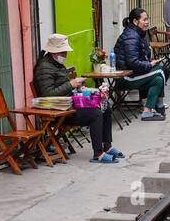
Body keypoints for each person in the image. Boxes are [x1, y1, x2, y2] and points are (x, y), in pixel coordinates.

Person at [33, 34, 123, 164]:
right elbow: (48, 93)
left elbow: (62, 87)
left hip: (67, 104)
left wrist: (79, 88)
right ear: (54, 52)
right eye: (63, 52)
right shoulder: (44, 67)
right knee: (96, 114)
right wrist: (71, 84)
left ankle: (107, 146)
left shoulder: (56, 64)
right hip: (57, 111)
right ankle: (98, 153)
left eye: (65, 52)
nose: (65, 55)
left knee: (105, 106)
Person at [114, 8, 167, 121]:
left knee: (158, 79)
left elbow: (142, 56)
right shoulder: (131, 36)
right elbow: (132, 62)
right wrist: (150, 65)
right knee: (161, 70)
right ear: (135, 21)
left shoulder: (139, 34)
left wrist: (149, 61)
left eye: (148, 19)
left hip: (136, 73)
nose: (147, 22)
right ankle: (160, 105)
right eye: (144, 19)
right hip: (127, 77)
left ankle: (147, 112)